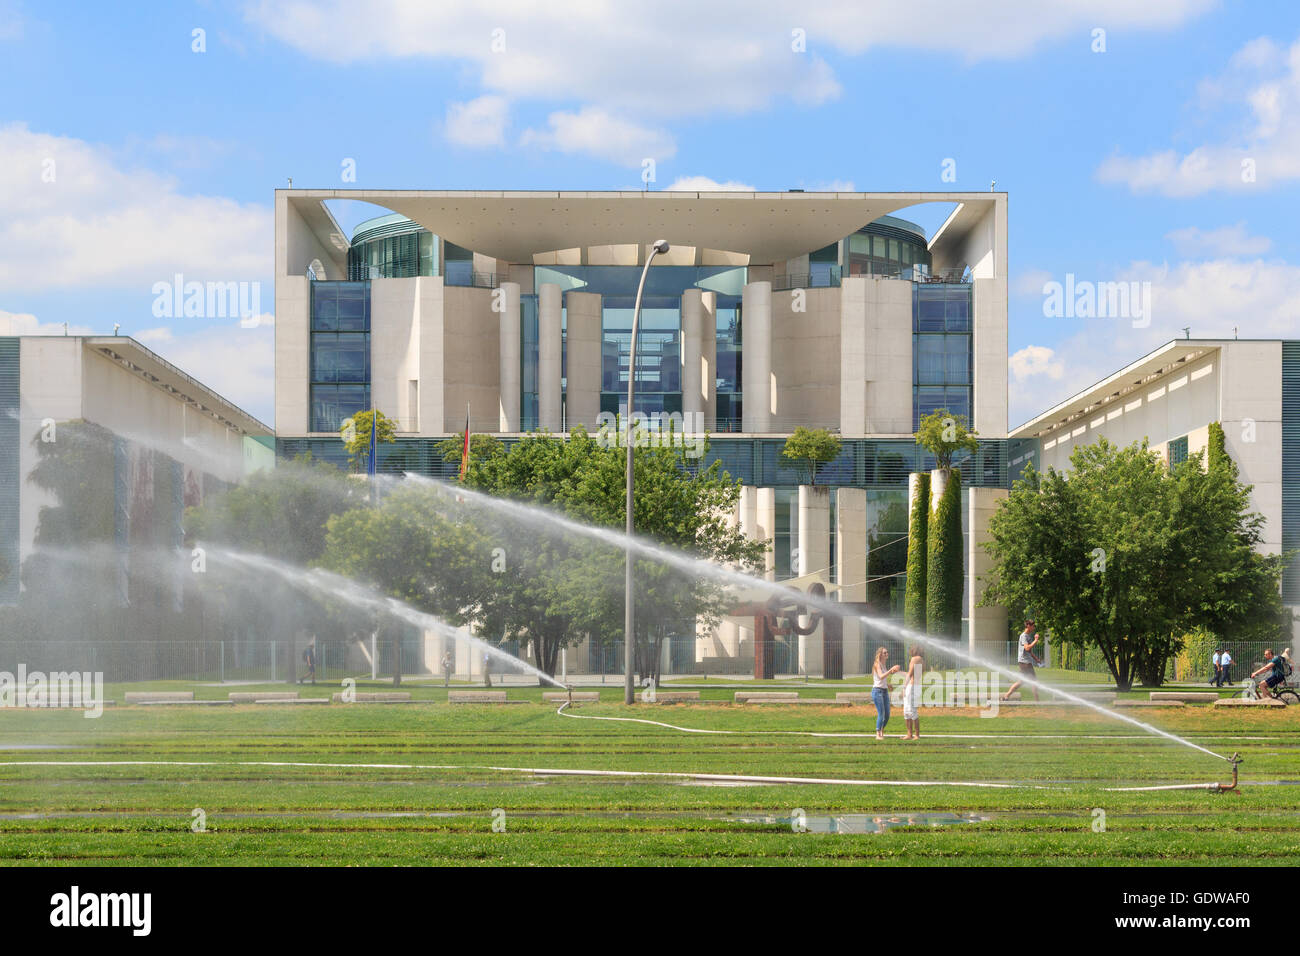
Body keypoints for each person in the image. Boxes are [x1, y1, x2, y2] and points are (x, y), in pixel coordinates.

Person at [1002, 620, 1042, 702]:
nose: (1034, 627)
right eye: (1033, 626)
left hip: (1024, 662)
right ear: (1028, 625)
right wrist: (1036, 640)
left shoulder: (1028, 636)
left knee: (1021, 682)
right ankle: (1037, 702)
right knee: (1034, 682)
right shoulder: (1024, 636)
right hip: (1025, 662)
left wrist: (1036, 659)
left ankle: (1006, 696)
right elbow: (1027, 647)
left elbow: (1029, 651)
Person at [871, 647, 901, 740]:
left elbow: (882, 678)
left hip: (884, 691)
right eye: (884, 653)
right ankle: (878, 734)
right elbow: (880, 676)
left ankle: (881, 730)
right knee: (881, 713)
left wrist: (888, 684)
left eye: (887, 652)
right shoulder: (877, 664)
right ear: (880, 654)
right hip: (877, 691)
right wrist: (891, 670)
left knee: (887, 714)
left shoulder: (883, 665)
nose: (887, 654)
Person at [901, 646, 924, 740]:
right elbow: (912, 674)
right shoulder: (921, 660)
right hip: (916, 686)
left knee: (910, 711)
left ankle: (915, 735)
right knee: (907, 711)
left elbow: (910, 674)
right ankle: (910, 734)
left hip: (912, 687)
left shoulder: (914, 658)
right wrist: (898, 671)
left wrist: (903, 687)